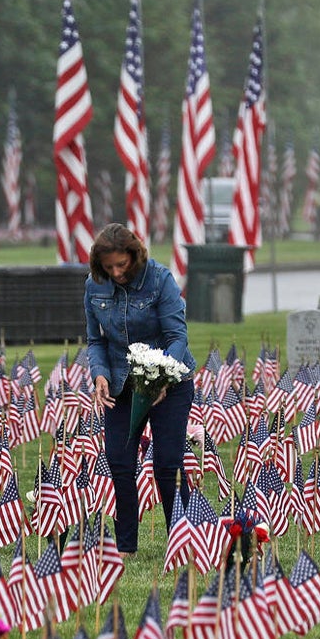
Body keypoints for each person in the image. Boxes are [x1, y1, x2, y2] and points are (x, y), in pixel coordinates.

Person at [86, 223, 196, 556]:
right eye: (109, 268)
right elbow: (95, 341)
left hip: (170, 383)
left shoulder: (160, 280)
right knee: (119, 461)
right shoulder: (94, 287)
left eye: (122, 265)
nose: (116, 273)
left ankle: (184, 541)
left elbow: (178, 337)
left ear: (135, 256)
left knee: (167, 463)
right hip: (121, 384)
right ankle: (125, 546)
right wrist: (100, 374)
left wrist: (161, 376)